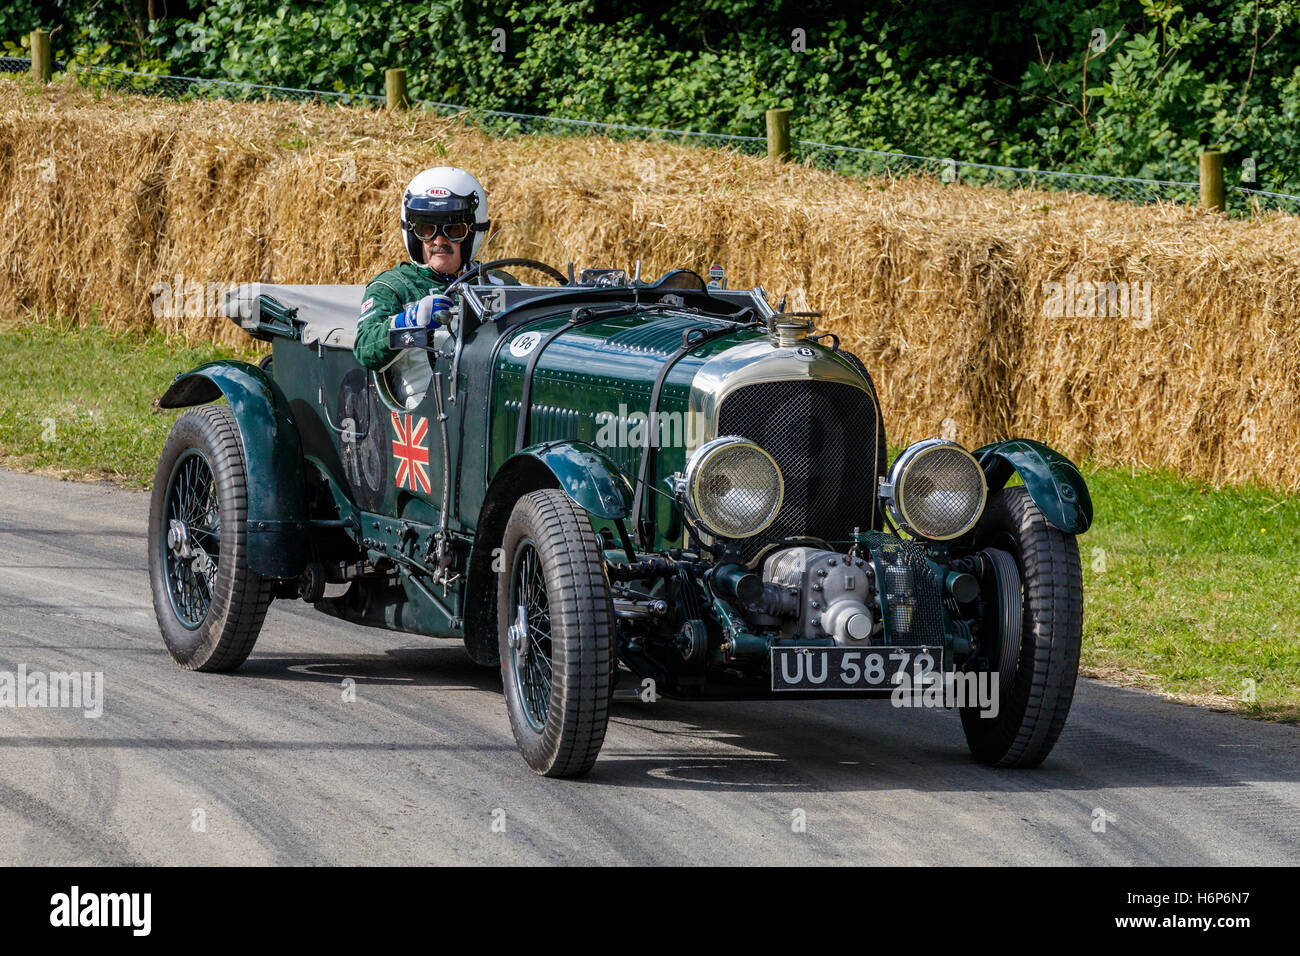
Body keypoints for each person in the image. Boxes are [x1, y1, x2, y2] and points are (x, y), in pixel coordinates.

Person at [353, 166, 491, 371]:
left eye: (454, 229)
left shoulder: (494, 283)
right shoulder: (392, 287)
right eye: (427, 229)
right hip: (424, 399)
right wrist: (408, 320)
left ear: (472, 235)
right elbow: (365, 349)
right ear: (413, 235)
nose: (439, 240)